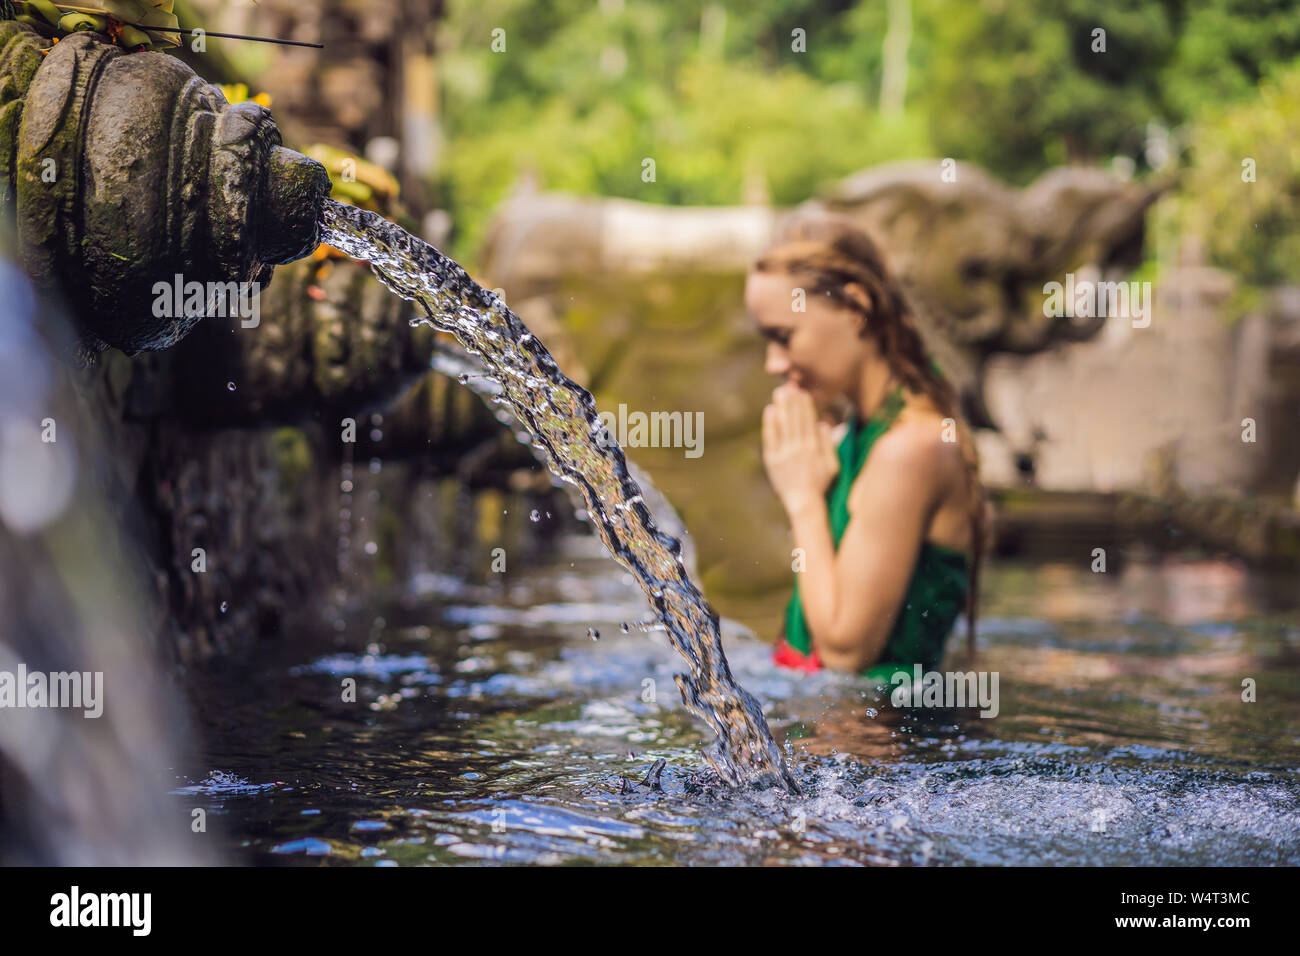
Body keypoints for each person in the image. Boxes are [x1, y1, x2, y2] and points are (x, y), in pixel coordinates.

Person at [747, 217, 986, 683]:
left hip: (883, 750)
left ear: (855, 308)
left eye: (783, 336)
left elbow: (844, 652)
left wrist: (802, 497)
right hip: (837, 738)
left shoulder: (912, 450)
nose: (773, 364)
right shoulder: (858, 435)